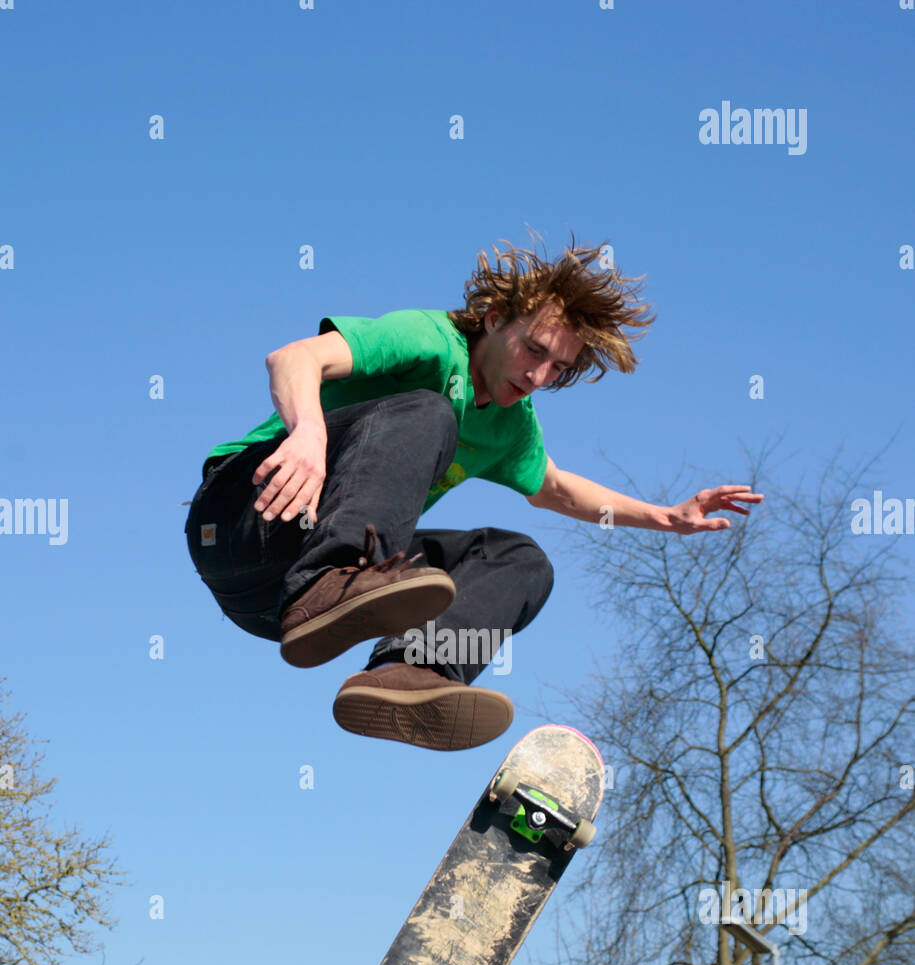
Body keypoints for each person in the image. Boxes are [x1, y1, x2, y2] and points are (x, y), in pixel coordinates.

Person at [185, 238, 762, 750]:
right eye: (534, 350)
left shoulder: (511, 426)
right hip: (243, 517)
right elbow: (293, 358)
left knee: (518, 559)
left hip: (270, 607)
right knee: (429, 413)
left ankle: (410, 671)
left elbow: (557, 489)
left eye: (557, 369)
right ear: (490, 319)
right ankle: (333, 576)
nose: (538, 376)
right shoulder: (429, 339)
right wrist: (308, 432)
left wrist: (669, 518)